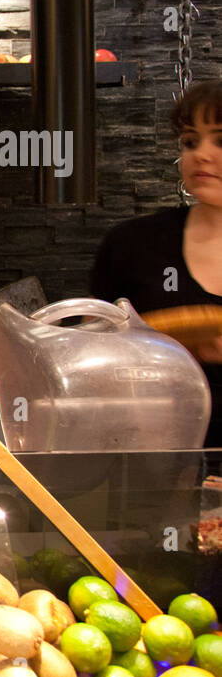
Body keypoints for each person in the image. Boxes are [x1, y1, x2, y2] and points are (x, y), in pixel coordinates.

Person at [92, 79, 222, 448]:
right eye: (190, 141)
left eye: (220, 140)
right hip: (152, 459)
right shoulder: (133, 244)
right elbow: (93, 356)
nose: (201, 155)